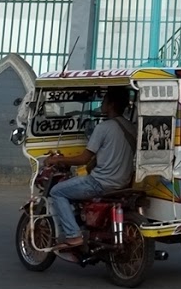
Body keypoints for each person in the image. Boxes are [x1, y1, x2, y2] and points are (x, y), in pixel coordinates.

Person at [47, 86, 136, 251]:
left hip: (100, 183)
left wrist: (59, 159)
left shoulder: (103, 127)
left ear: (111, 104)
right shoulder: (131, 127)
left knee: (57, 191)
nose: (102, 104)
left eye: (104, 101)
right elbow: (107, 155)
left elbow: (84, 158)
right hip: (123, 184)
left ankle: (73, 235)